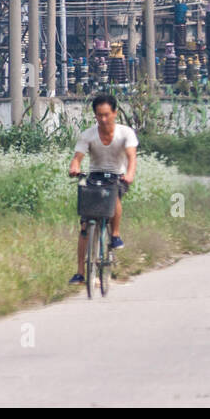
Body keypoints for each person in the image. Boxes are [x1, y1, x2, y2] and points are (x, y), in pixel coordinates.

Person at [67, 93, 138, 286]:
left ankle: (115, 235)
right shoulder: (88, 135)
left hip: (117, 176)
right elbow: (78, 156)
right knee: (84, 227)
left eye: (107, 114)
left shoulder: (126, 133)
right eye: (99, 115)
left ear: (115, 113)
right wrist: (74, 167)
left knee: (113, 193)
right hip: (95, 175)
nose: (103, 119)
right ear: (95, 115)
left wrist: (130, 175)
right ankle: (80, 272)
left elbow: (132, 158)